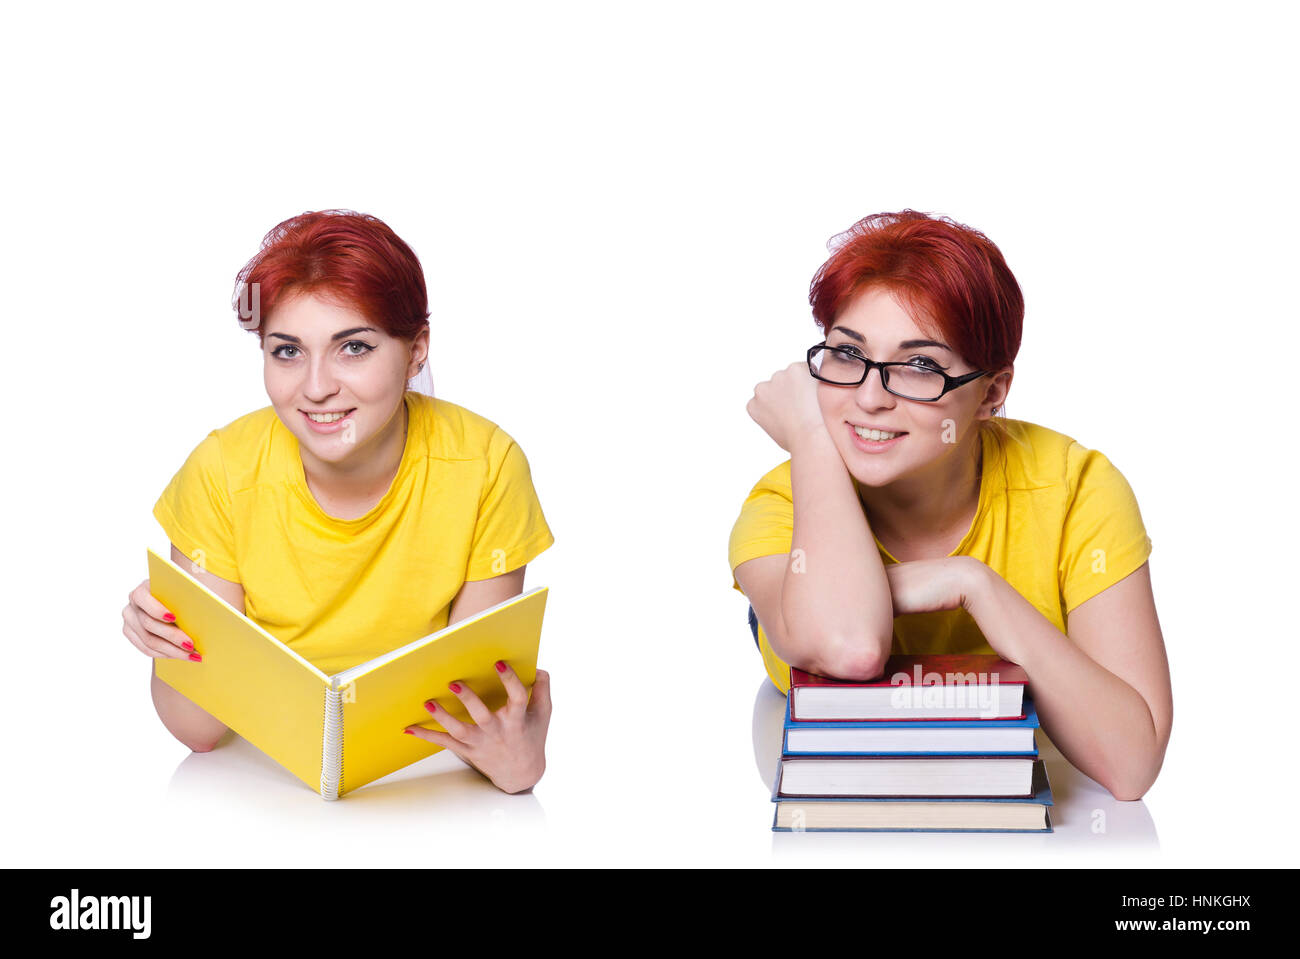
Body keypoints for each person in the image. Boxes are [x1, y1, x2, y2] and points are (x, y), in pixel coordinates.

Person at [729, 211, 1171, 802]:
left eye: (920, 366)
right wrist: (811, 434)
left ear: (991, 393)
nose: (868, 398)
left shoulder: (1074, 488)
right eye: (846, 355)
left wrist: (973, 584)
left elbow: (1131, 766)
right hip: (837, 800)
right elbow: (852, 647)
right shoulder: (782, 502)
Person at [121, 210, 554, 794]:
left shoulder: (485, 465)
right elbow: (197, 730)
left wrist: (519, 766)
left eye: (353, 347)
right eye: (287, 351)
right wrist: (167, 643)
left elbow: (470, 710)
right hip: (257, 774)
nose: (317, 386)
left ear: (416, 349)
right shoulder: (223, 471)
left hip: (419, 773)